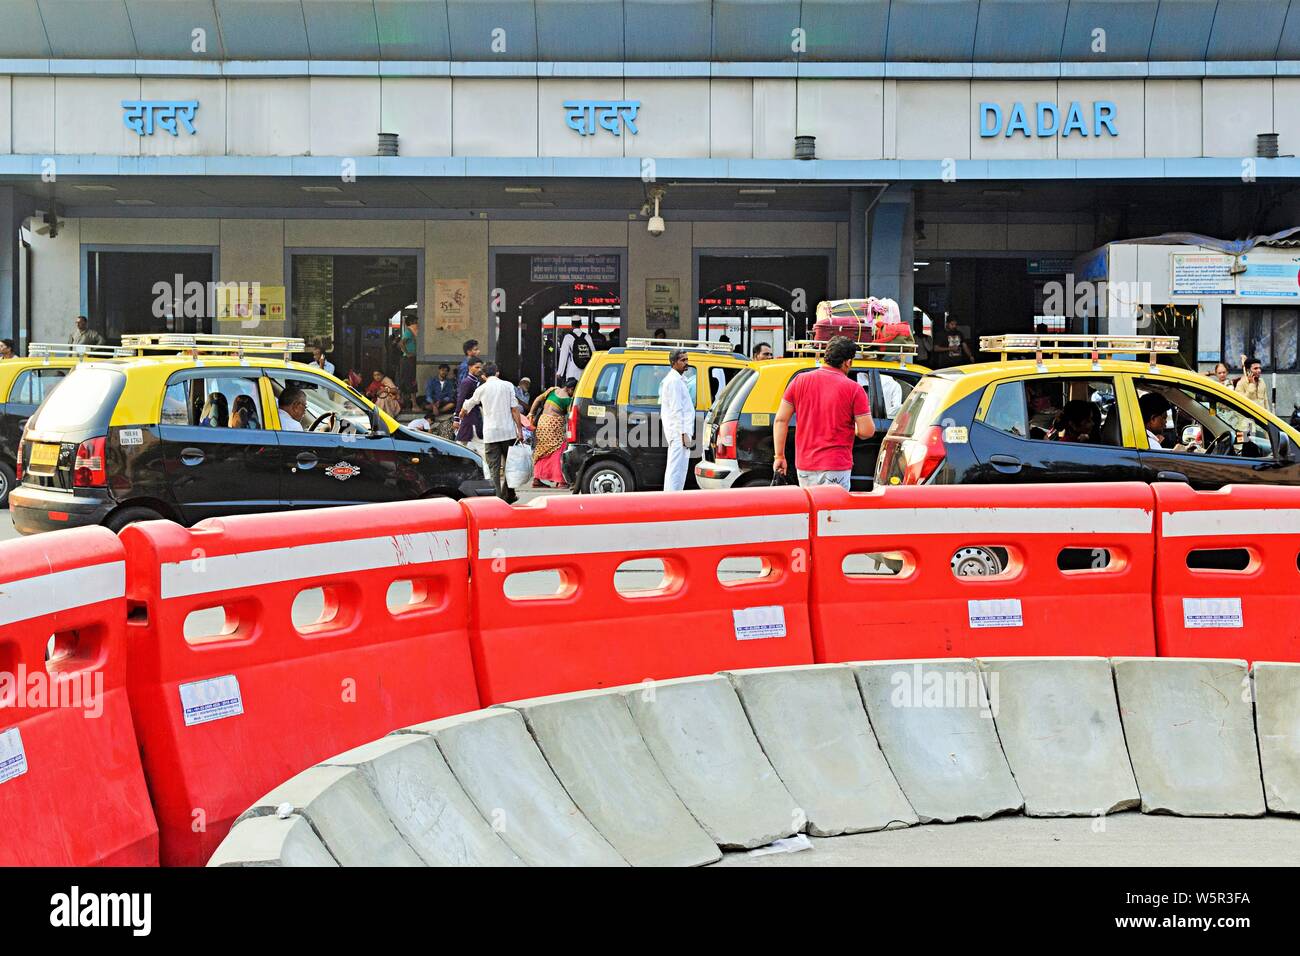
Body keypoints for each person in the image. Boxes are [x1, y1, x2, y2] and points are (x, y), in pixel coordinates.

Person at [773, 335, 872, 489]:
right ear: (848, 362)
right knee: (833, 512)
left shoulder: (799, 381)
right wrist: (853, 428)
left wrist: (779, 456)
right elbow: (867, 431)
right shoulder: (854, 389)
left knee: (812, 510)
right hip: (836, 466)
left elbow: (780, 420)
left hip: (805, 466)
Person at [460, 362, 523, 502]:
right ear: (497, 373)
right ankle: (509, 494)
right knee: (510, 466)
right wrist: (520, 430)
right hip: (508, 432)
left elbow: (468, 403)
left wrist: (462, 412)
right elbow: (514, 409)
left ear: (483, 376)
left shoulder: (481, 389)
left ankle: (497, 499)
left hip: (490, 434)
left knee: (494, 468)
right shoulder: (508, 386)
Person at [658, 348, 695, 491]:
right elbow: (676, 411)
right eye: (683, 360)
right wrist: (683, 434)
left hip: (681, 432)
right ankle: (671, 500)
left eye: (687, 359)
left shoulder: (679, 380)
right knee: (675, 469)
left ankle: (676, 498)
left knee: (681, 469)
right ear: (673, 363)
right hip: (678, 433)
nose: (686, 363)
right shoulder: (673, 381)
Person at [530, 378, 576, 488]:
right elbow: (570, 416)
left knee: (542, 449)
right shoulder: (567, 400)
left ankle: (536, 479)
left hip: (542, 421)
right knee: (558, 449)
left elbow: (537, 399)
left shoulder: (552, 390)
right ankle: (560, 480)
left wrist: (531, 413)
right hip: (554, 425)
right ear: (571, 389)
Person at [455, 357, 488, 472]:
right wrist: (456, 419)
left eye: (480, 368)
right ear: (470, 367)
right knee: (465, 446)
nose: (479, 370)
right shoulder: (467, 382)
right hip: (469, 419)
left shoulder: (478, 381)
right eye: (477, 367)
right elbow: (460, 400)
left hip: (475, 418)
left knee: (460, 445)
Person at [556, 317, 596, 384]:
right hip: (585, 370)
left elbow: (563, 355)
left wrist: (560, 372)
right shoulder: (587, 336)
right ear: (581, 323)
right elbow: (594, 353)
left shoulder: (568, 337)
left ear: (572, 324)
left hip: (572, 371)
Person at [399, 316, 419, 408]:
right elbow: (401, 343)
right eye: (415, 321)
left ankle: (409, 403)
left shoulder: (413, 331)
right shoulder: (409, 331)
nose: (417, 323)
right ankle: (413, 404)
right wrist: (407, 353)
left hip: (412, 359)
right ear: (411, 322)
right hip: (408, 360)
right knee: (410, 380)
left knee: (411, 380)